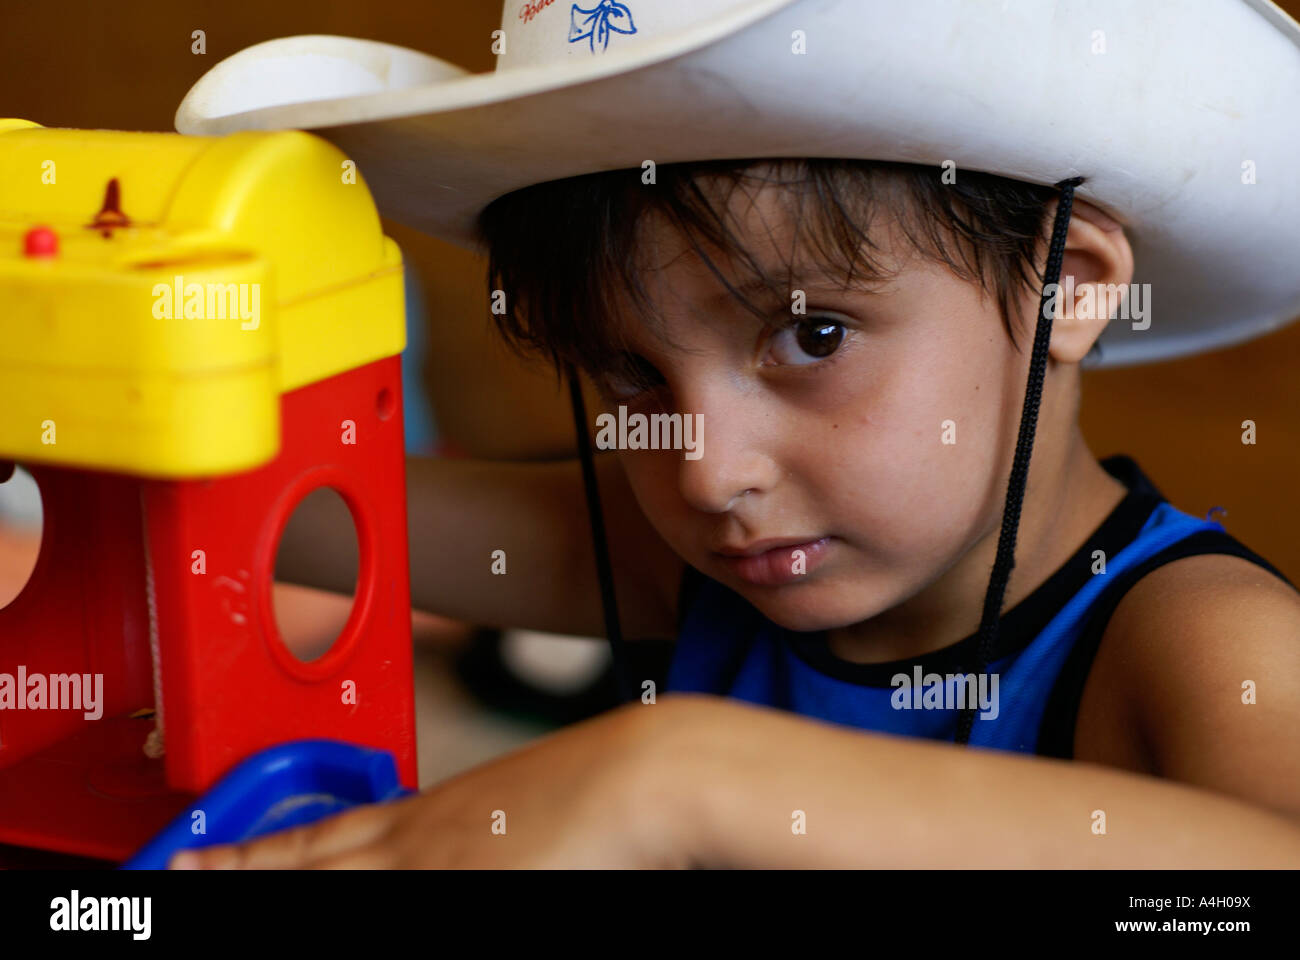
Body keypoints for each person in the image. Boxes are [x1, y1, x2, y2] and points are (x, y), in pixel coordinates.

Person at [169, 0, 1300, 867]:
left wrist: (680, 774)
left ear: (1065, 286)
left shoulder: (1201, 640)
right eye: (628, 374)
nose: (707, 472)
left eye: (810, 336)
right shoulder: (691, 563)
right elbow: (278, 505)